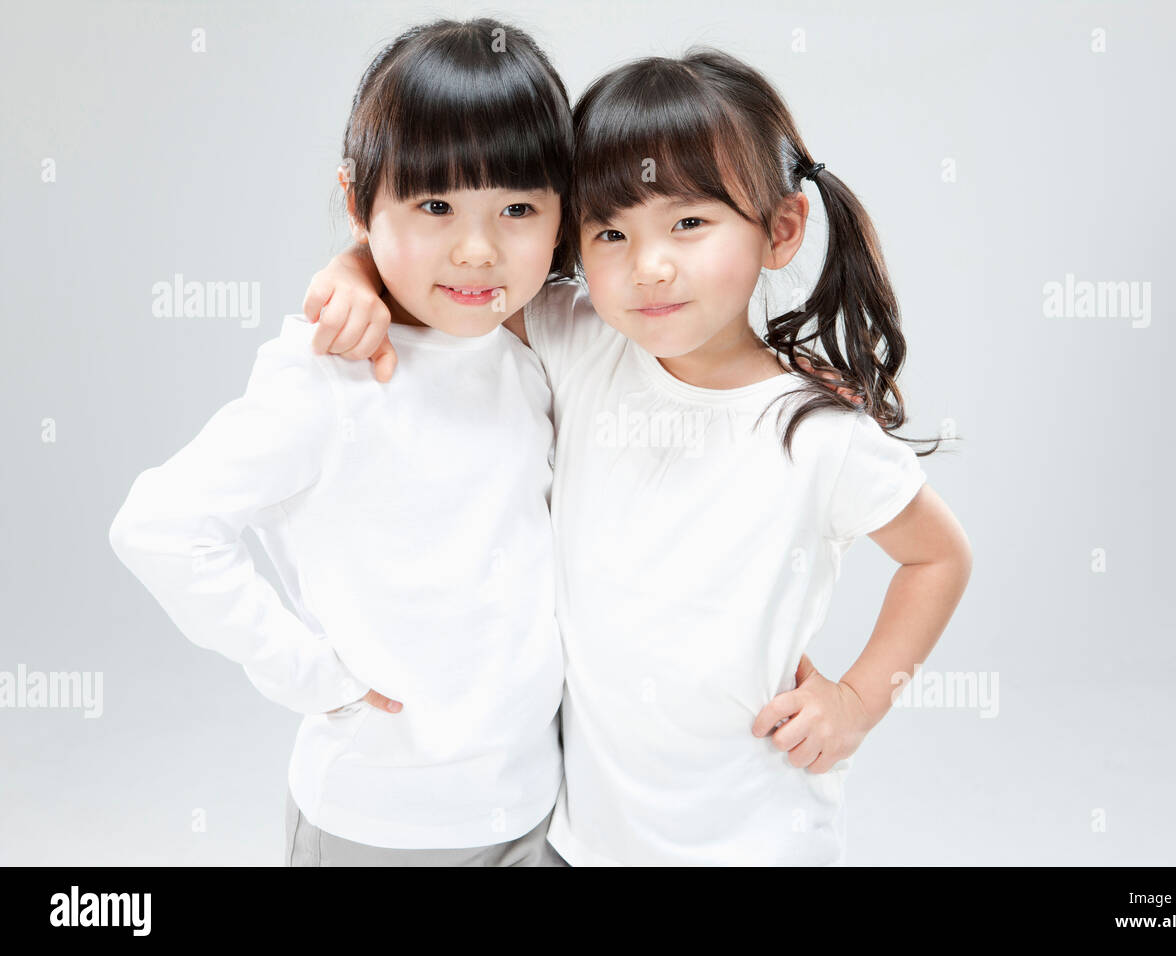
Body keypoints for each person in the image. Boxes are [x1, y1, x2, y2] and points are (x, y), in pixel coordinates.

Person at [304, 48, 973, 866]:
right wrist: (354, 271)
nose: (648, 266)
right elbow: (452, 281)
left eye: (689, 223)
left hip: (757, 837)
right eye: (610, 232)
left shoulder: (816, 430)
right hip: (585, 840)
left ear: (781, 228)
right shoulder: (581, 341)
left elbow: (939, 556)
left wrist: (859, 702)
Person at [108, 18, 576, 866]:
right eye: (435, 205)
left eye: (516, 208)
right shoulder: (330, 371)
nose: (478, 249)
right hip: (376, 823)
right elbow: (158, 525)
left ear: (561, 216)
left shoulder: (536, 349)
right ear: (360, 204)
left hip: (533, 808)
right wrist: (311, 676)